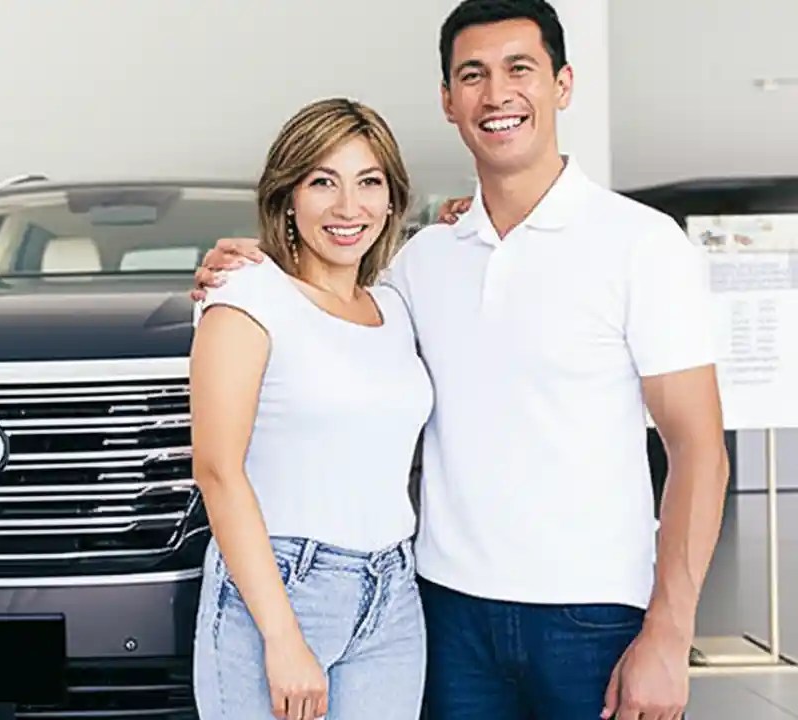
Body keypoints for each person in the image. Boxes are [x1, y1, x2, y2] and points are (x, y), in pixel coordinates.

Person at [190, 1, 730, 719]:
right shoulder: (422, 262)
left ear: (562, 85)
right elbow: (322, 321)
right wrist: (242, 268)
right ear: (448, 100)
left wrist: (670, 630)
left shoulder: (642, 245)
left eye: (520, 70)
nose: (496, 94)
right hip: (442, 613)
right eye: (471, 75)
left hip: (592, 617)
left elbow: (698, 449)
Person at [189, 97, 433, 720]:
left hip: (393, 594)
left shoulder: (395, 308)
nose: (349, 207)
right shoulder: (247, 296)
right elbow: (218, 470)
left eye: (369, 182)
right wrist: (282, 636)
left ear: (390, 198)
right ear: (287, 197)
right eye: (323, 181)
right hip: (282, 587)